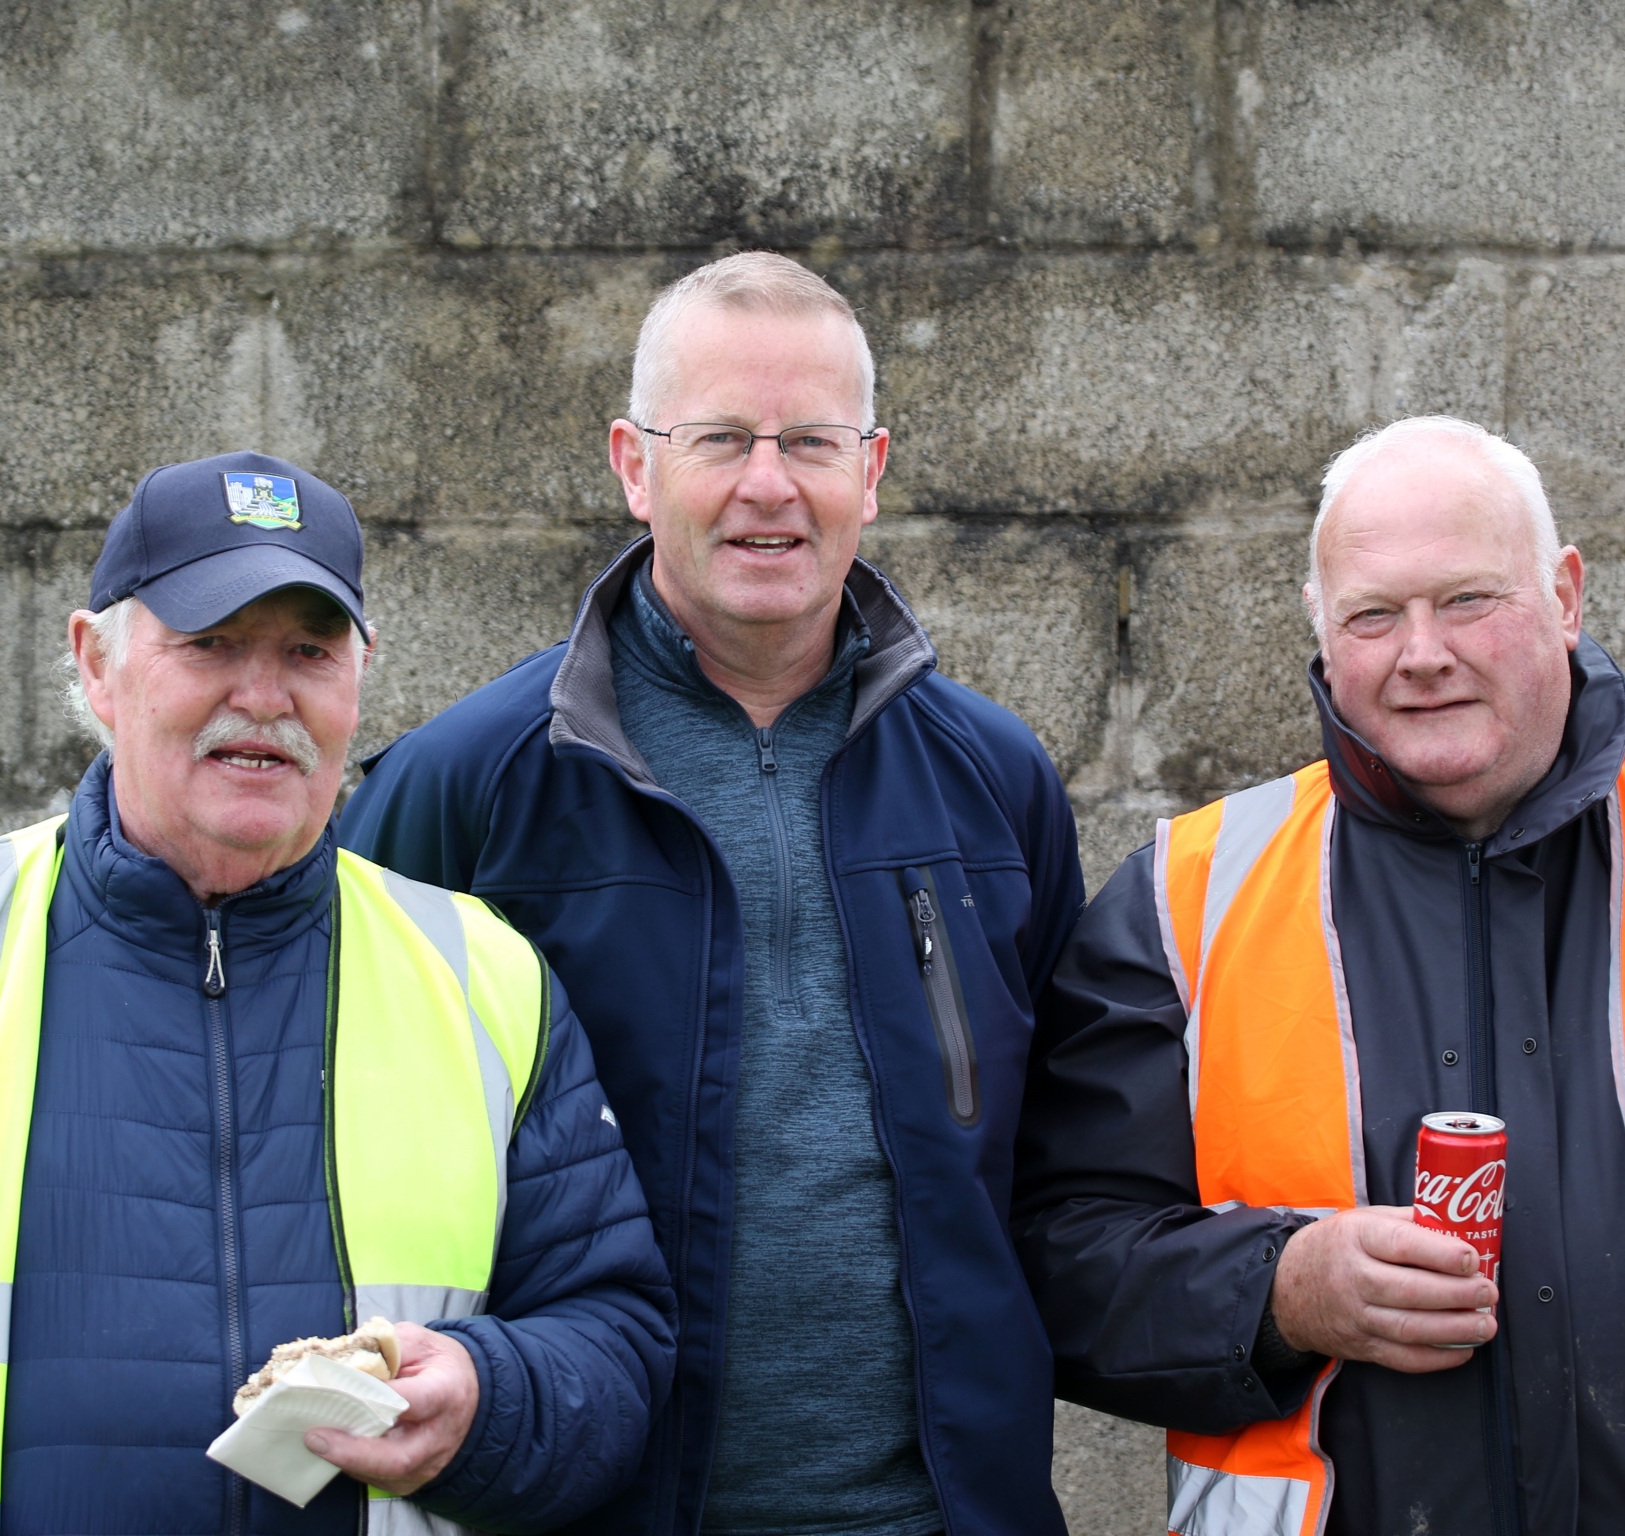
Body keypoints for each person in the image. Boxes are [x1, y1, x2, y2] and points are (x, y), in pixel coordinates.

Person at [340, 252, 1086, 1536]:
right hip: (600, 1511)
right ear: (634, 466)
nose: (767, 484)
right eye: (722, 438)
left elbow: (1064, 1171)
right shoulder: (469, 787)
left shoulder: (995, 782)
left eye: (811, 440)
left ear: (874, 469)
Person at [0, 451, 676, 1535]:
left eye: (308, 650)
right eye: (210, 645)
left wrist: (492, 1400)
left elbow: (614, 1339)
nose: (263, 696)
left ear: (359, 678)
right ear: (97, 664)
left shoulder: (485, 972)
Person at [1012, 416, 1625, 1536]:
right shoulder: (1184, 898)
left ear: (1566, 595)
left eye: (1468, 599)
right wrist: (1280, 1290)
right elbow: (1055, 1259)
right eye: (1374, 615)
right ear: (1323, 639)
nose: (1423, 653)